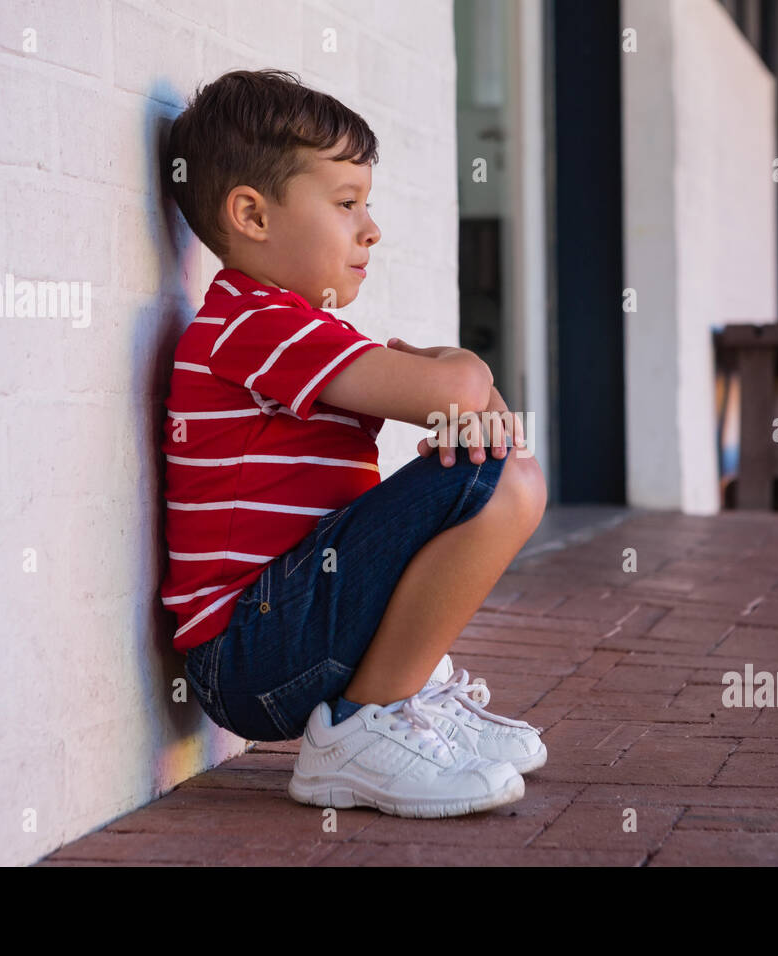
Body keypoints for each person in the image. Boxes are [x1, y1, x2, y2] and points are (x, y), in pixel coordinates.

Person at [160, 69, 548, 818]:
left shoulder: (296, 327)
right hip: (246, 653)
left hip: (283, 632)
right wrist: (462, 368)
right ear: (252, 215)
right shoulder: (252, 325)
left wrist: (459, 390)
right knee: (495, 477)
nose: (371, 229)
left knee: (504, 473)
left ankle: (402, 698)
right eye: (346, 204)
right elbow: (460, 399)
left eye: (366, 204)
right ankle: (357, 728)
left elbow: (472, 414)